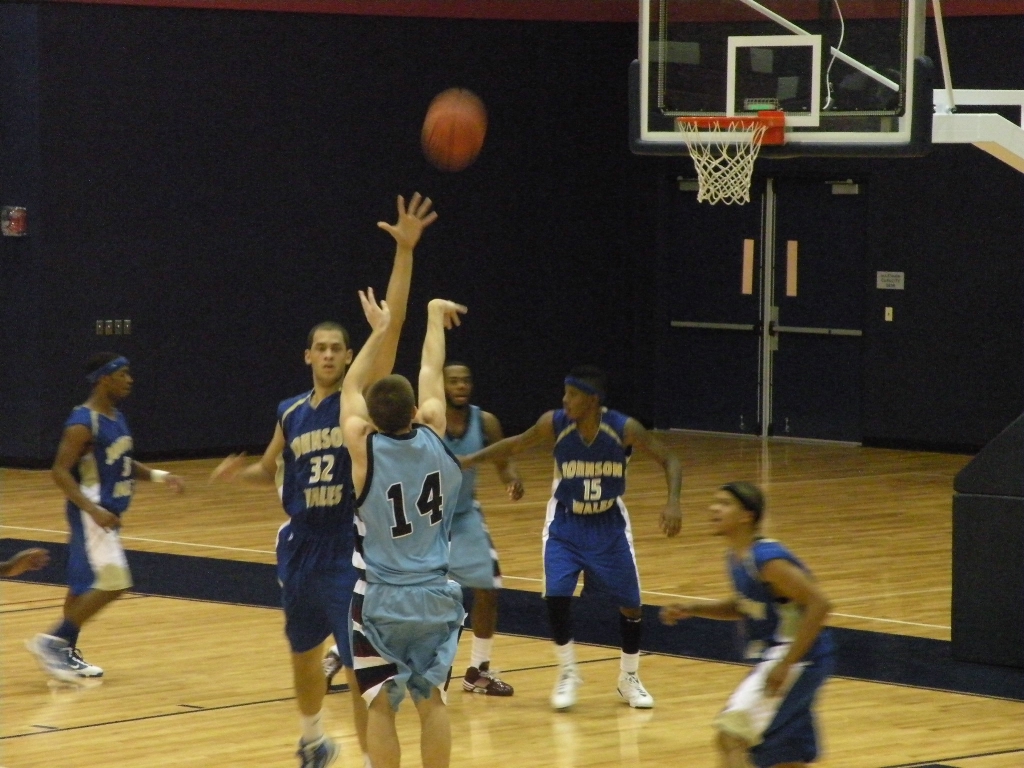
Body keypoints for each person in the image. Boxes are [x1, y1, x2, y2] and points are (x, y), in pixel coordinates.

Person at [210, 193, 436, 768]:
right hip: (300, 545)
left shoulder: (358, 399)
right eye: (322, 348)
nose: (331, 355)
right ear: (308, 356)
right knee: (303, 651)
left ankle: (370, 758)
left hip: (347, 547)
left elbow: (394, 324)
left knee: (363, 670)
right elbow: (270, 468)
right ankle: (312, 739)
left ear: (350, 355)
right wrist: (242, 474)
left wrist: (404, 253)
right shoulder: (290, 411)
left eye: (339, 348)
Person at [460, 365, 682, 711]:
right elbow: (516, 444)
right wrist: (472, 459)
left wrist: (673, 503)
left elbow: (670, 459)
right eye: (565, 393)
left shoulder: (624, 428)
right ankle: (567, 671)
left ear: (592, 400)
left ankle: (629, 677)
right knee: (557, 596)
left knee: (631, 603)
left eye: (573, 394)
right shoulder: (554, 423)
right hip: (565, 522)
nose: (565, 400)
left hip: (608, 522)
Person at [342, 290, 467, 768]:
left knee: (380, 706)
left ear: (371, 420)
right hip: (436, 595)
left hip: (381, 598)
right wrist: (434, 315)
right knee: (432, 702)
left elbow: (350, 389)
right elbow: (431, 370)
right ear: (416, 410)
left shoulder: (364, 450)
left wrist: (379, 331)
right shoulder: (435, 433)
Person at [27, 353, 185, 684]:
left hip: (106, 514)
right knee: (115, 582)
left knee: (81, 587)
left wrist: (160, 476)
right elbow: (59, 471)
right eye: (123, 374)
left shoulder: (116, 417)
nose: (130, 380)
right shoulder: (83, 422)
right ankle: (53, 642)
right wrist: (93, 510)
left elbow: (123, 463)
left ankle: (64, 652)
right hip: (93, 512)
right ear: (104, 379)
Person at [660, 482, 835, 768]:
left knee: (731, 735)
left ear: (747, 516)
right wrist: (693, 609)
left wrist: (787, 664)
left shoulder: (768, 560)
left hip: (801, 657)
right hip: (789, 656)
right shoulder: (736, 557)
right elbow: (745, 606)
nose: (714, 508)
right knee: (786, 755)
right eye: (714, 502)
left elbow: (820, 604)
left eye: (725, 503)